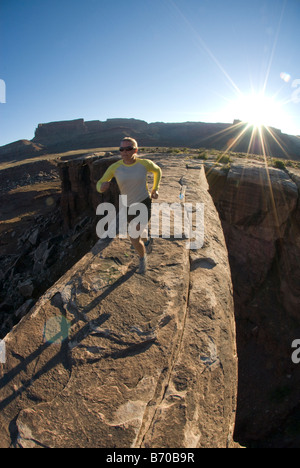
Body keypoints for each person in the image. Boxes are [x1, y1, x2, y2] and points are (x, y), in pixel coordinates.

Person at [96, 137, 162, 274]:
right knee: (139, 232)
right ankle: (145, 237)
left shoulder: (144, 163)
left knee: (133, 237)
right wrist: (101, 187)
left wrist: (155, 189)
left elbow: (157, 171)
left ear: (135, 150)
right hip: (127, 205)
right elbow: (100, 183)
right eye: (122, 149)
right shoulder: (115, 167)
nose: (124, 151)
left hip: (144, 202)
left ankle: (143, 258)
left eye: (128, 148)